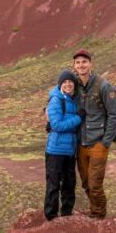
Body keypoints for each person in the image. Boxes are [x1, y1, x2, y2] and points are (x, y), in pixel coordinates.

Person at [73, 48, 116, 219]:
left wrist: (106, 141)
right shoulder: (74, 85)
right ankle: (94, 212)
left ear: (91, 64)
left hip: (98, 143)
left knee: (95, 184)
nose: (81, 65)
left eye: (84, 62)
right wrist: (47, 109)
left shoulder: (104, 86)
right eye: (78, 62)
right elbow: (60, 96)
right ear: (74, 66)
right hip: (81, 143)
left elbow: (114, 115)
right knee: (86, 183)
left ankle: (99, 218)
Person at [44, 69, 83, 221]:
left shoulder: (73, 100)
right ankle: (51, 217)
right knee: (53, 184)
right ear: (60, 84)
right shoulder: (56, 100)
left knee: (69, 183)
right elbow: (57, 125)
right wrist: (78, 118)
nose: (68, 84)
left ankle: (66, 215)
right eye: (65, 82)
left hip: (69, 151)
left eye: (70, 82)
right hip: (55, 151)